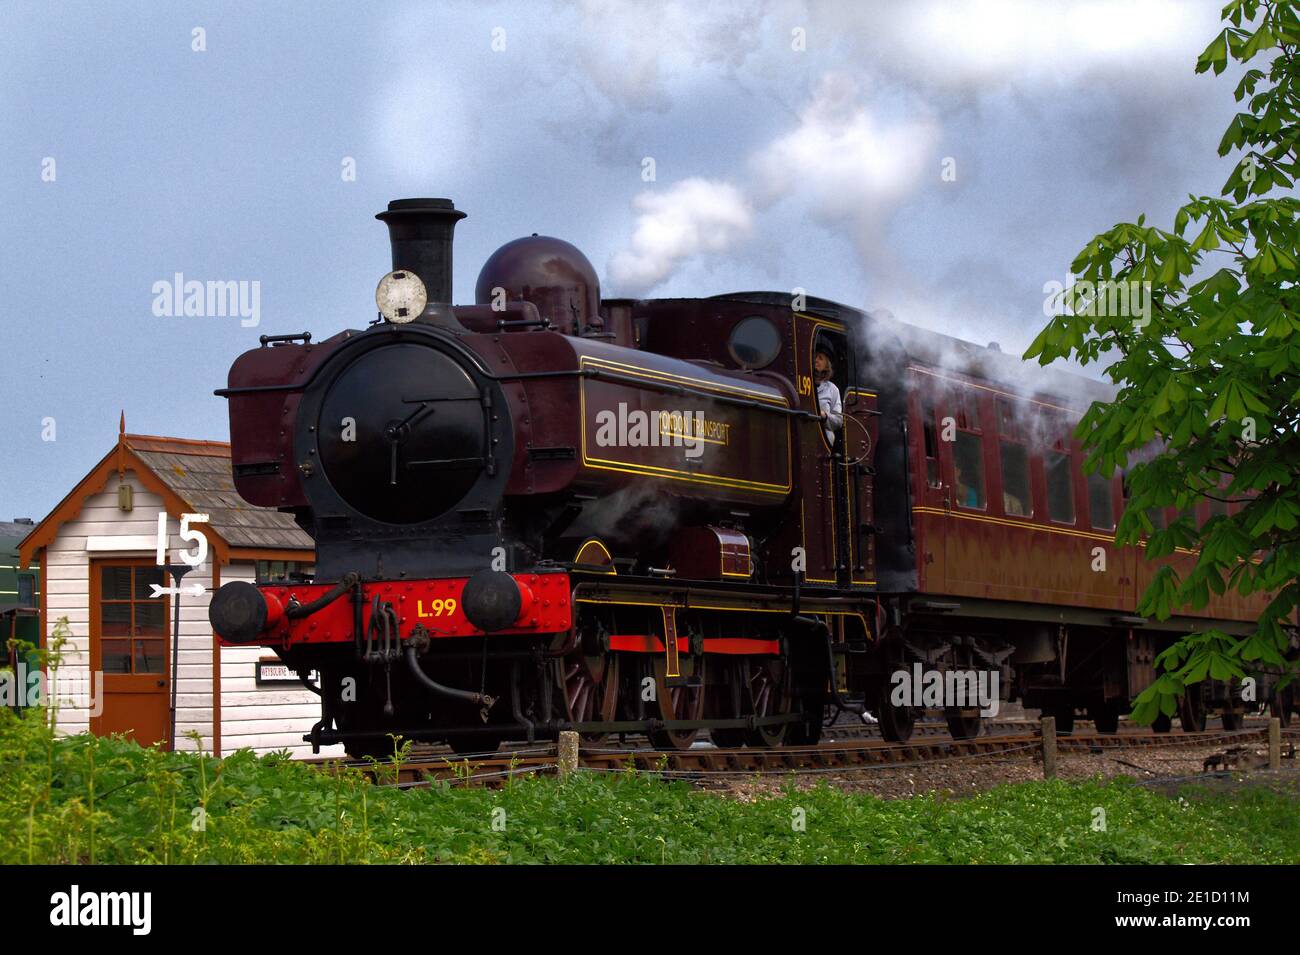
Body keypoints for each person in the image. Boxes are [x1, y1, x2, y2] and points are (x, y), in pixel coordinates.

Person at [814, 347, 842, 447]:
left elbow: (838, 421)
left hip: (823, 440)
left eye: (820, 358)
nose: (816, 360)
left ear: (826, 366)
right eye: (814, 357)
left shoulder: (832, 389)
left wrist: (825, 416)